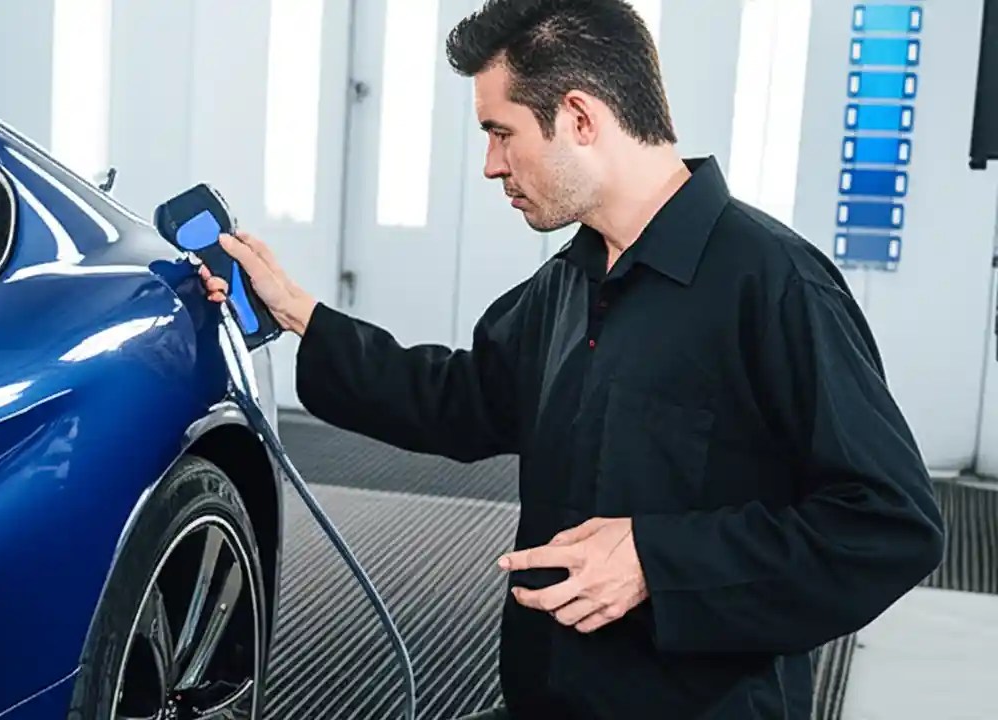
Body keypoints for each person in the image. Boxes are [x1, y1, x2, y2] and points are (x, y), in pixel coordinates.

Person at [200, 0, 945, 717]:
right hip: (547, 698)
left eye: (502, 133)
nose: (491, 165)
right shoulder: (571, 279)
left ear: (580, 118)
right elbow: (462, 398)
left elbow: (888, 526)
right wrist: (298, 312)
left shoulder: (777, 284)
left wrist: (658, 562)